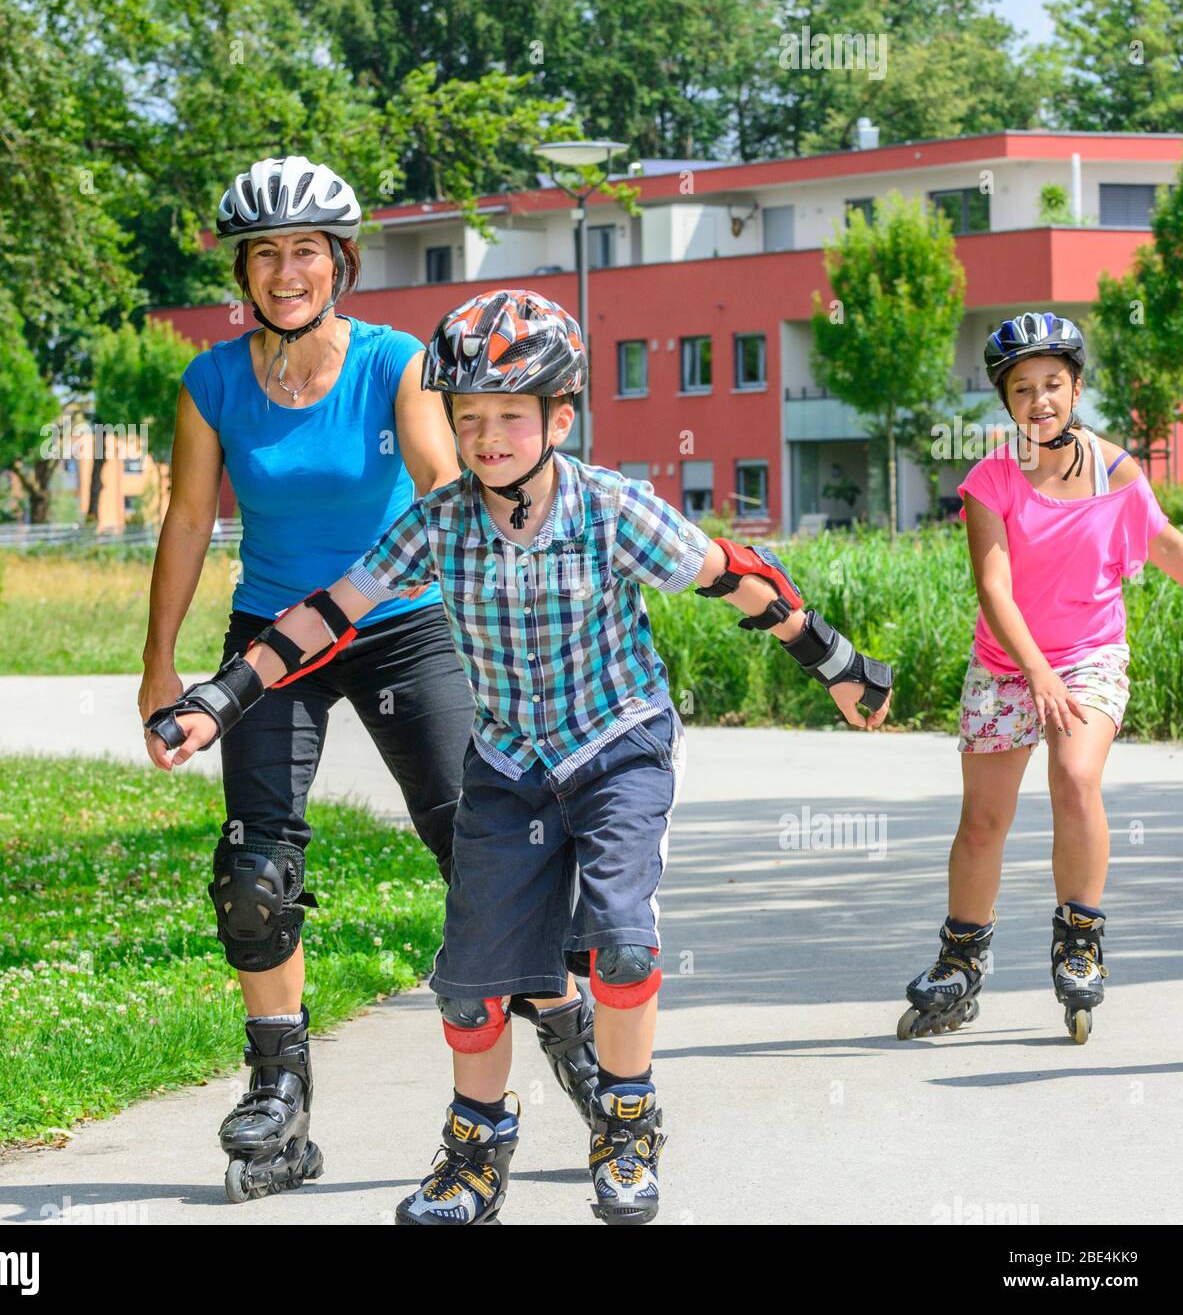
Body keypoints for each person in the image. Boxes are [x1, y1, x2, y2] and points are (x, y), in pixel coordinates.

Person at [146, 288, 893, 1224]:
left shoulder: (610, 510)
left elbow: (735, 576)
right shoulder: (440, 522)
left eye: (509, 415)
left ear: (560, 416)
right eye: (467, 419)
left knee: (618, 942)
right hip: (507, 766)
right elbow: (328, 612)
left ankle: (626, 1129)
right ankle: (473, 1156)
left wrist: (838, 663)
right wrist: (220, 698)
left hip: (620, 746)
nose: (487, 436)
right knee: (468, 988)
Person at [138, 155, 482, 1203]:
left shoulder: (393, 363)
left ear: (337, 261)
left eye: (303, 251)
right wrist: (161, 659)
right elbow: (191, 518)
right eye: (264, 254)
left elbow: (439, 484)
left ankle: (577, 1057)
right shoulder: (214, 379)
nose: (285, 271)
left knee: (477, 845)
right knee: (252, 869)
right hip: (268, 639)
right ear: (243, 272)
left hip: (397, 623)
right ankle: (279, 1094)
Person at [898, 312, 1183, 1045]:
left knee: (1074, 775)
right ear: (1006, 400)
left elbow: (1172, 552)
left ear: (1077, 386)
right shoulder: (990, 480)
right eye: (1023, 388)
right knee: (984, 822)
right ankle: (961, 960)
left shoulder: (1117, 474)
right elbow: (994, 589)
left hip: (1090, 656)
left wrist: (1058, 679)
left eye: (1054, 383)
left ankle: (1080, 939)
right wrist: (1034, 674)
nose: (1040, 400)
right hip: (1006, 664)